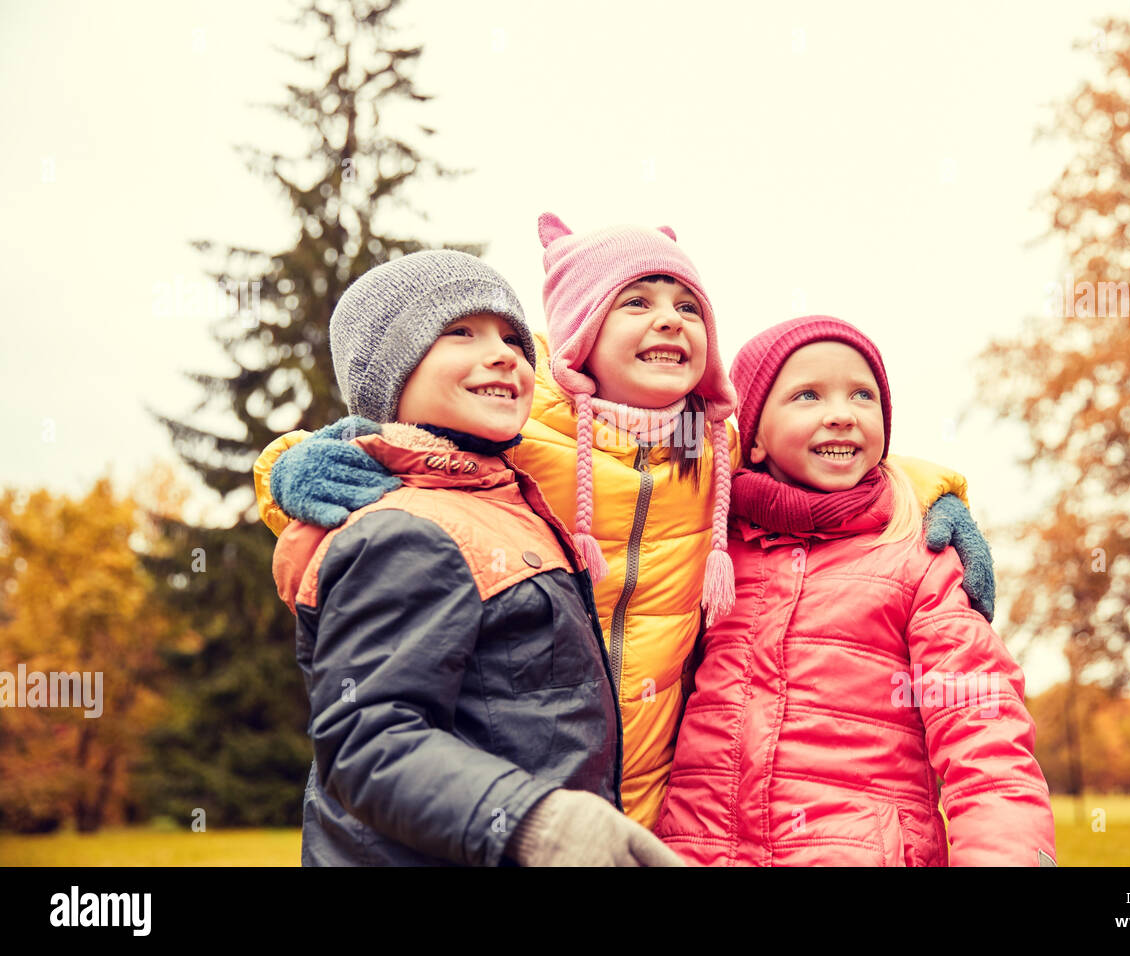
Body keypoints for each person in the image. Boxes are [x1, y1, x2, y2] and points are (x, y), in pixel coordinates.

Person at [253, 214, 995, 829]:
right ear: (578, 335)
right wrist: (286, 465)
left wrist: (930, 490)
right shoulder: (519, 421)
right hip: (519, 789)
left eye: (688, 306)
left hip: (649, 799)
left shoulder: (713, 448)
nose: (668, 320)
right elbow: (405, 447)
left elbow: (820, 452)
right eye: (635, 302)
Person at [273, 248, 681, 865]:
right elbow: (366, 740)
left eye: (515, 340)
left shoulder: (510, 504)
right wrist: (536, 823)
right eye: (460, 332)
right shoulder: (404, 527)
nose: (503, 355)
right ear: (390, 372)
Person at [653, 316, 1057, 866]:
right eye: (807, 394)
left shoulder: (920, 557)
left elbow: (983, 735)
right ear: (754, 438)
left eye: (862, 394)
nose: (841, 413)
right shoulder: (710, 548)